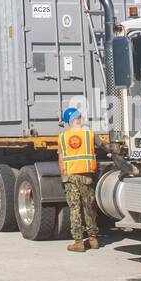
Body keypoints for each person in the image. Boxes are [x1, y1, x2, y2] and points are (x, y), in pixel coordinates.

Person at [58, 107, 109, 252]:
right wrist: (114, 150)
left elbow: (61, 158)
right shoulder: (90, 134)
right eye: (78, 117)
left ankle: (78, 242)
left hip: (70, 176)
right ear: (74, 120)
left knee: (75, 208)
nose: (80, 119)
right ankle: (93, 239)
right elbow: (105, 147)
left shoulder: (62, 137)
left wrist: (63, 176)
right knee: (89, 207)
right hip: (86, 176)